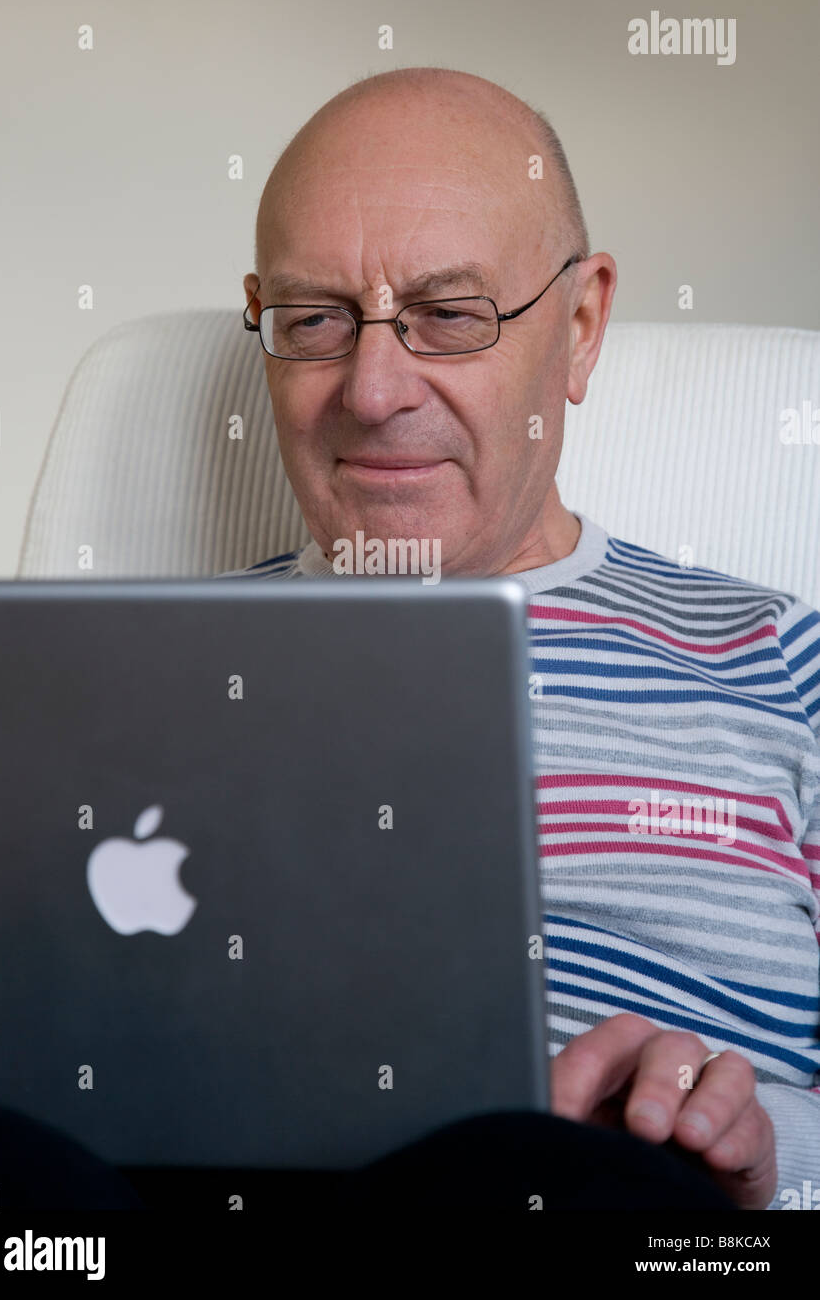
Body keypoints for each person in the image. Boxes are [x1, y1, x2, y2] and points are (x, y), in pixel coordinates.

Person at [223, 65, 820, 1211]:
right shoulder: (118, 673)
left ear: (581, 325)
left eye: (448, 315)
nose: (373, 388)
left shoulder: (781, 667)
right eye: (314, 320)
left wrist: (759, 1151)